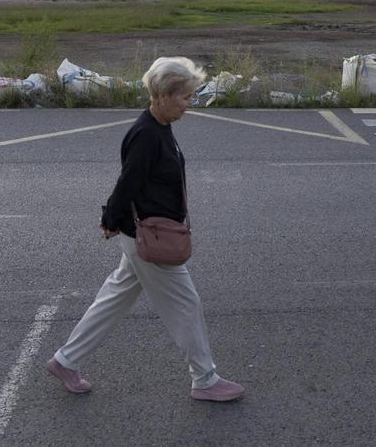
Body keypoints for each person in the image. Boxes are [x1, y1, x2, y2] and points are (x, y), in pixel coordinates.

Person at [46, 57, 244, 402]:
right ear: (164, 95)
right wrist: (111, 219)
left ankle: (66, 360)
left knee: (114, 298)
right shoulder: (147, 135)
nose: (189, 104)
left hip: (145, 233)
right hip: (150, 237)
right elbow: (128, 182)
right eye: (185, 97)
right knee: (186, 304)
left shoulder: (159, 127)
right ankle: (205, 378)